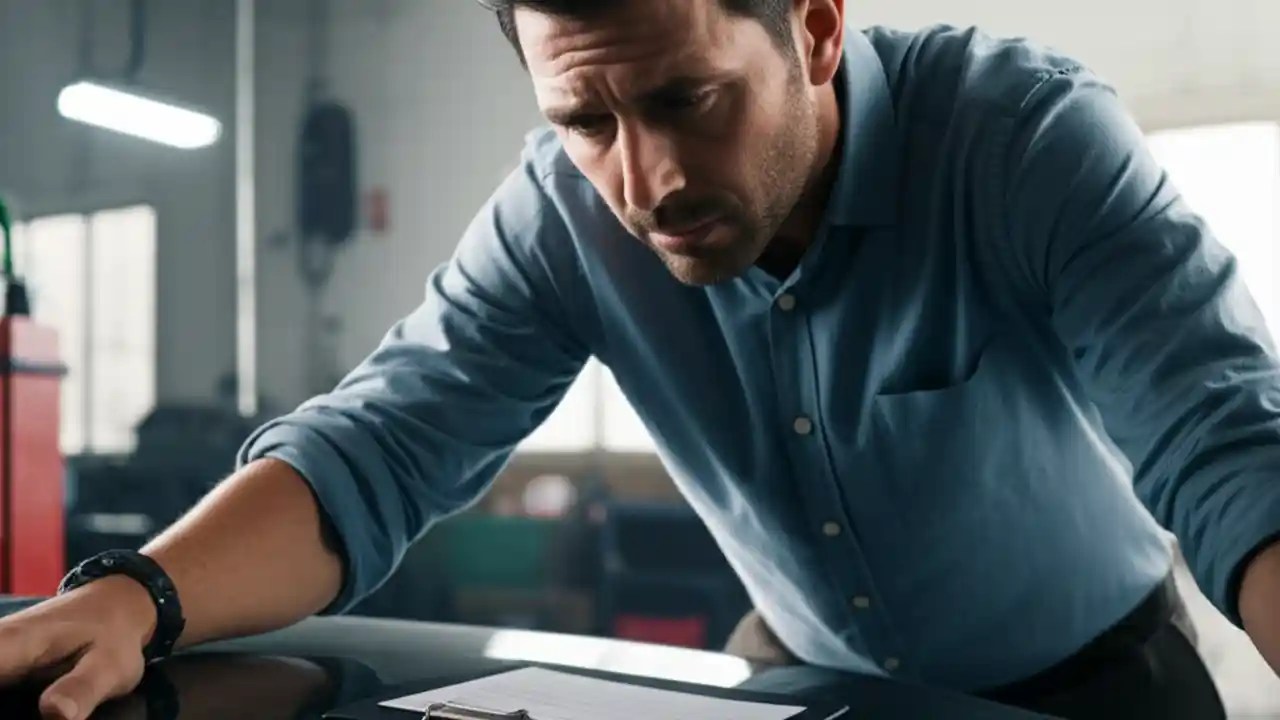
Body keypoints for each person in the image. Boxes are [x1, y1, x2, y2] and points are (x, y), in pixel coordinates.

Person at [2, 1, 1278, 717]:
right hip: (795, 670)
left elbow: (1229, 445)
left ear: (816, 29)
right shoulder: (561, 212)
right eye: (586, 119)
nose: (645, 182)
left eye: (686, 101)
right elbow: (380, 445)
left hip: (1098, 685)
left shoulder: (1023, 142)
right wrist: (139, 595)